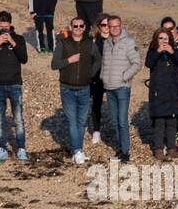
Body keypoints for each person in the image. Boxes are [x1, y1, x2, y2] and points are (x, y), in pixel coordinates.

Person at [53, 16, 99, 164]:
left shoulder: (89, 44)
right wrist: (69, 60)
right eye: (75, 26)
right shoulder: (63, 43)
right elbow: (54, 64)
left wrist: (90, 73)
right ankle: (77, 150)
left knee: (82, 121)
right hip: (67, 88)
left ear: (84, 28)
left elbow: (98, 60)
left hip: (85, 87)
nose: (78, 28)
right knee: (72, 121)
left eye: (81, 26)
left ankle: (77, 150)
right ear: (71, 27)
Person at [97, 14, 139, 163]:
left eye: (117, 26)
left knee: (122, 120)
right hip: (109, 87)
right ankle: (120, 149)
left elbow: (136, 63)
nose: (114, 29)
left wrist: (124, 76)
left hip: (122, 87)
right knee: (114, 121)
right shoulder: (107, 42)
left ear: (120, 26)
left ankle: (126, 151)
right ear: (108, 27)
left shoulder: (128, 42)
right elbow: (104, 62)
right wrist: (103, 76)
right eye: (111, 26)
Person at [0, 11, 27, 162]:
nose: (4, 29)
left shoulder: (19, 39)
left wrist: (12, 42)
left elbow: (24, 59)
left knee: (18, 118)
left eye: (6, 27)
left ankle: (21, 148)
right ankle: (1, 149)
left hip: (15, 83)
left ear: (10, 25)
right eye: (1, 27)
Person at [145, 29, 178, 160]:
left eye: (166, 38)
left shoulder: (173, 51)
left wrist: (172, 52)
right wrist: (158, 51)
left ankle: (172, 148)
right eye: (160, 38)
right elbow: (148, 63)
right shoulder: (152, 51)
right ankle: (158, 149)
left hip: (172, 91)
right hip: (158, 92)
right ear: (156, 39)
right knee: (159, 122)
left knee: (172, 121)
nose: (163, 41)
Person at [87, 15, 110, 145]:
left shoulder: (116, 38)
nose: (106, 28)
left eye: (108, 25)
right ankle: (95, 131)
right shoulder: (94, 39)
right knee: (95, 103)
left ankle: (102, 130)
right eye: (103, 25)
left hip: (111, 76)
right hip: (95, 76)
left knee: (110, 104)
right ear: (99, 26)